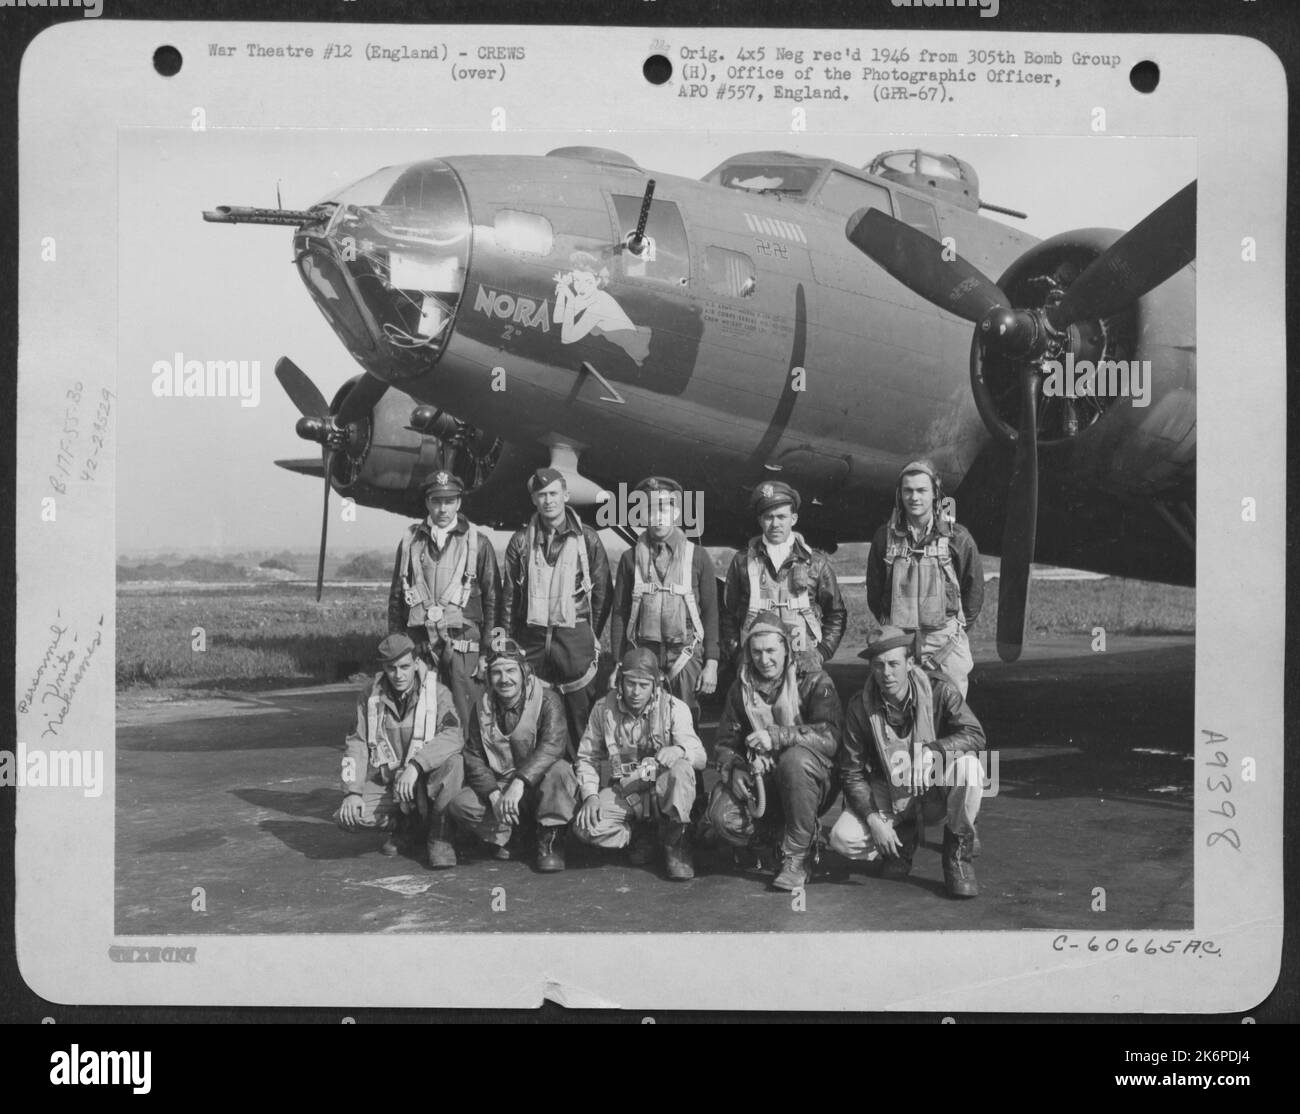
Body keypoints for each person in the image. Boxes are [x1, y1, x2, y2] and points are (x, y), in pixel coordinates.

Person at [829, 626, 985, 898]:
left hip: (932, 785)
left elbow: (975, 734)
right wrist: (873, 819)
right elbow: (851, 772)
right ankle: (903, 837)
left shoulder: (940, 690)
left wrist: (932, 750)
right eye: (878, 665)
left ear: (910, 663)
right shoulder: (859, 707)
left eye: (893, 664)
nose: (886, 673)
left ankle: (957, 855)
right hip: (889, 789)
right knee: (842, 839)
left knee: (971, 767)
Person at [706, 611, 844, 892]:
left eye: (771, 650)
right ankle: (777, 836)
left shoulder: (815, 680)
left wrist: (778, 736)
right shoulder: (740, 687)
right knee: (723, 816)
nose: (764, 659)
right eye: (756, 652)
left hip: (811, 779)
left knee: (793, 760)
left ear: (786, 648)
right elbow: (723, 744)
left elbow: (831, 737)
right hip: (762, 779)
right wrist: (734, 768)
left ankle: (797, 858)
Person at [501, 468, 613, 748]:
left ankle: (583, 785)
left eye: (553, 494)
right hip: (533, 639)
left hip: (574, 637)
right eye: (541, 495)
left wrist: (590, 634)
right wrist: (509, 642)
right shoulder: (520, 541)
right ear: (534, 500)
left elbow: (602, 592)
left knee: (580, 721)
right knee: (535, 717)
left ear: (566, 495)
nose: (548, 500)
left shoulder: (587, 539)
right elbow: (510, 596)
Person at [445, 638, 579, 872]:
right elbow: (473, 756)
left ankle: (550, 839)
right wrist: (493, 794)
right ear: (488, 677)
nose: (504, 679)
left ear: (525, 671)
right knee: (461, 804)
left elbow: (552, 746)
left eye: (510, 670)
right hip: (503, 785)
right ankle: (513, 835)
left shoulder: (548, 699)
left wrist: (520, 782)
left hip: (537, 783)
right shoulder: (481, 705)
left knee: (560, 772)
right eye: (496, 672)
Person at [572, 648, 706, 880]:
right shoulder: (603, 709)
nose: (635, 692)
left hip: (660, 788)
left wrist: (680, 750)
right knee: (585, 828)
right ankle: (641, 835)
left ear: (655, 685)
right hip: (625, 789)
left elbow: (701, 757)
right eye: (630, 683)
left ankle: (676, 843)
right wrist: (590, 796)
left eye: (644, 685)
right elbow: (587, 758)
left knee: (682, 768)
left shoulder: (675, 708)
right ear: (620, 681)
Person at [333, 633, 465, 869]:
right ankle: (406, 825)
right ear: (383, 667)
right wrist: (351, 792)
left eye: (405, 667)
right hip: (392, 782)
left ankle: (440, 834)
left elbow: (453, 736)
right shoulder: (369, 696)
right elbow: (356, 742)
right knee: (350, 817)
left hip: (426, 778)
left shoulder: (438, 691)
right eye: (391, 668)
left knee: (454, 763)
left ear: (416, 663)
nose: (399, 675)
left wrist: (416, 765)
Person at [388, 470, 501, 731]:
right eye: (436, 501)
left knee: (469, 718)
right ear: (427, 502)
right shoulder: (410, 543)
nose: (442, 508)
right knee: (422, 717)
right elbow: (396, 597)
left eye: (449, 501)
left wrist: (490, 650)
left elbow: (494, 599)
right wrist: (395, 644)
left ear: (459, 503)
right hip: (420, 645)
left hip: (464, 647)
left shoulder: (479, 543)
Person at [865, 460, 984, 697]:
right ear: (900, 495)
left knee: (951, 716)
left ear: (935, 494)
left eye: (921, 490)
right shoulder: (884, 538)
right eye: (908, 491)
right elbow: (875, 593)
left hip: (946, 643)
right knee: (899, 716)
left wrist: (955, 629)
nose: (914, 497)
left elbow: (974, 593)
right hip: (900, 642)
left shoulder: (958, 538)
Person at [608, 475, 719, 722]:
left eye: (663, 508)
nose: (657, 516)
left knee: (686, 720)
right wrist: (617, 662)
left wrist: (711, 662)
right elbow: (620, 613)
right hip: (642, 653)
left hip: (685, 654)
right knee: (643, 720)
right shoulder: (629, 558)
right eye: (649, 509)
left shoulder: (698, 557)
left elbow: (711, 613)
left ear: (676, 512)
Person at [721, 481, 848, 670]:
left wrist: (822, 652)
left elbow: (836, 613)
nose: (775, 524)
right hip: (758, 663)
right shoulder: (742, 562)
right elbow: (727, 614)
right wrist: (738, 655)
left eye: (782, 517)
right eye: (768, 517)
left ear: (794, 519)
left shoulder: (816, 563)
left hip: (804, 663)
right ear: (760, 520)